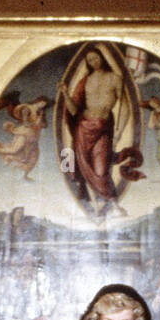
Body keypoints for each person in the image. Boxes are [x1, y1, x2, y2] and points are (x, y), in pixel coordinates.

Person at [59, 47, 128, 217]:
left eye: (95, 58)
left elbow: (125, 106)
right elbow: (74, 111)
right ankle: (97, 205)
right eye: (89, 60)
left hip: (103, 127)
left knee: (100, 168)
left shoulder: (115, 78)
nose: (93, 62)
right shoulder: (85, 81)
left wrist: (119, 131)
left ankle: (113, 203)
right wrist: (66, 94)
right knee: (84, 168)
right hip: (83, 127)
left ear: (102, 58)